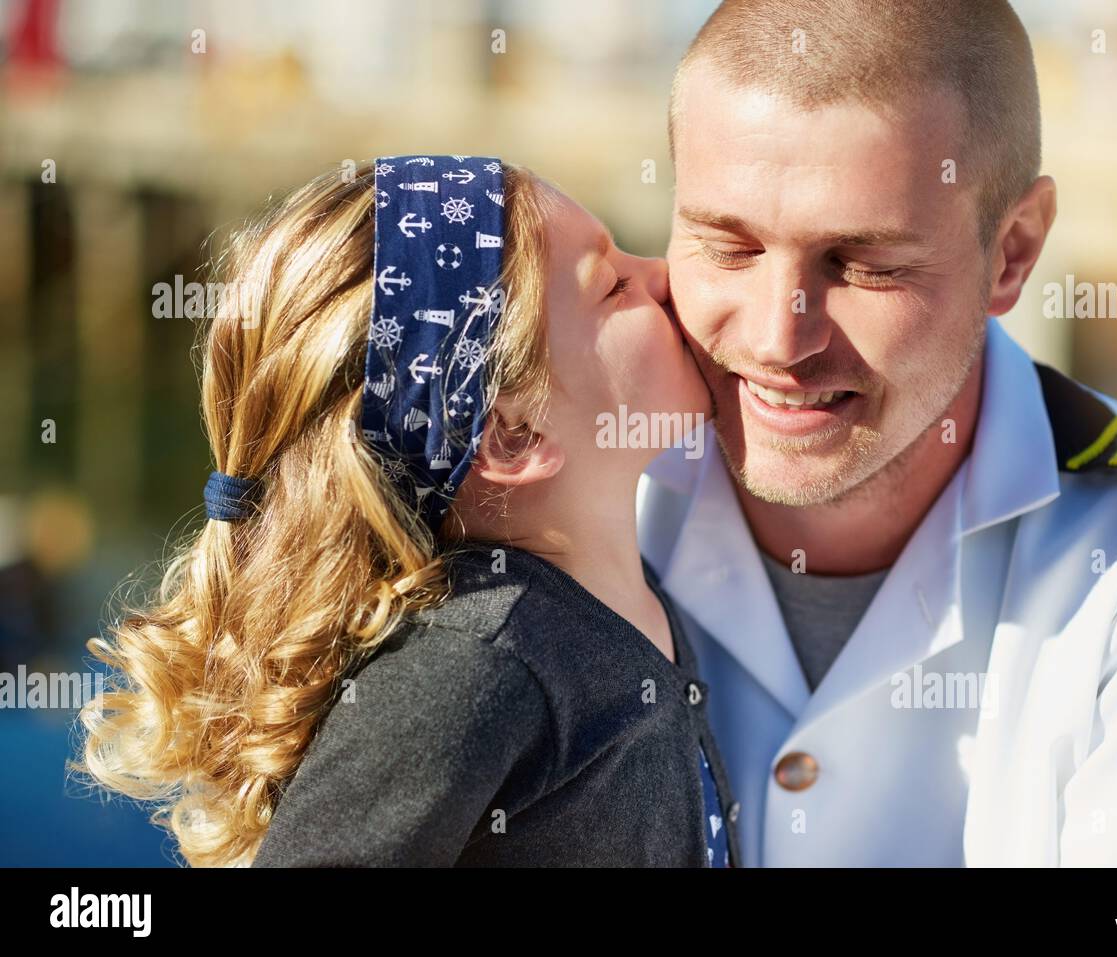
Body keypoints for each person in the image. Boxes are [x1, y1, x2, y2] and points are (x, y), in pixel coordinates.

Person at [637, 0, 1117, 866]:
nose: (776, 338)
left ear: (1013, 251)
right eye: (728, 247)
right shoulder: (560, 489)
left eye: (865, 265)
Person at [72, 155, 739, 867]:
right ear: (515, 435)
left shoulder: (637, 590)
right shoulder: (472, 664)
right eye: (611, 285)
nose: (663, 275)